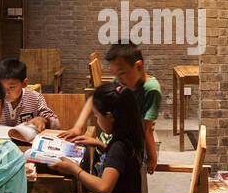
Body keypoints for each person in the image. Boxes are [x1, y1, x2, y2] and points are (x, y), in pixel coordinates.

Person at [62, 43, 161, 175]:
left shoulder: (151, 89)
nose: (118, 79)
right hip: (107, 143)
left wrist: (153, 157)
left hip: (126, 148)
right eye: (116, 75)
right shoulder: (122, 81)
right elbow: (94, 98)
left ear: (138, 66)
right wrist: (78, 127)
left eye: (121, 74)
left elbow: (146, 129)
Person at [0, 58, 60, 131]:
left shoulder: (35, 98)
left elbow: (56, 123)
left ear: (24, 83)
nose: (5, 92)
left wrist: (43, 120)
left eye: (11, 87)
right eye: (1, 87)